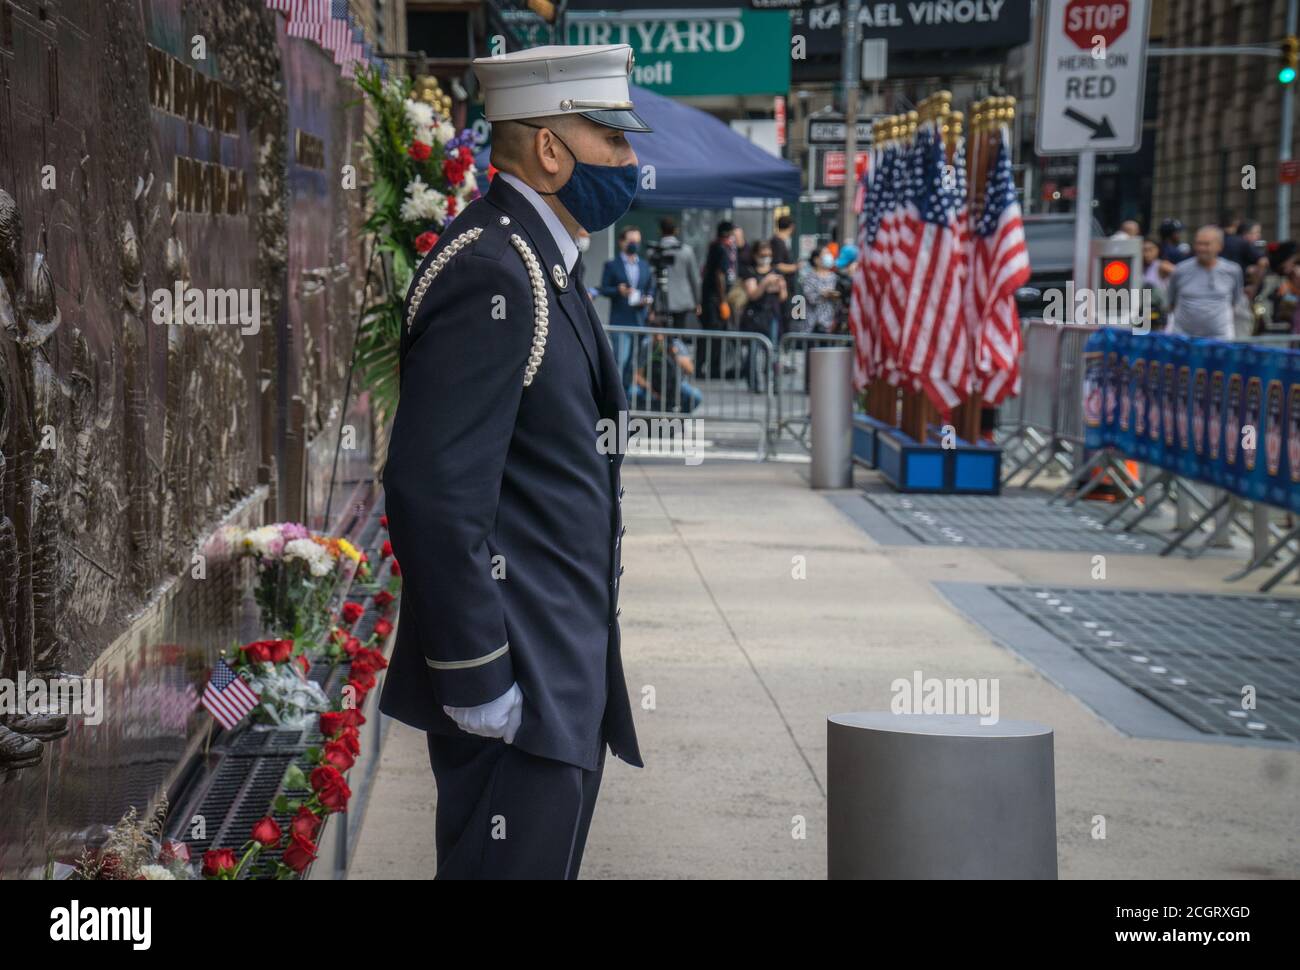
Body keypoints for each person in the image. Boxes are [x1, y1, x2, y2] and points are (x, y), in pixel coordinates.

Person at [379, 43, 649, 880]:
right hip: (517, 684)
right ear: (550, 149)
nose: (632, 163)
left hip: (559, 668)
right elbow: (433, 491)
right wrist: (478, 678)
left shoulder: (538, 261)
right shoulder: (496, 269)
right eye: (614, 142)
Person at [1165, 225, 1246, 340]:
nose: (1201, 248)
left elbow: (1235, 301)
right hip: (1184, 337)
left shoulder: (1233, 270)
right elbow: (1171, 303)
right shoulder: (1180, 270)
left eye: (1207, 244)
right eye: (1199, 243)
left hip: (1220, 338)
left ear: (1219, 246)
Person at [601, 225, 655, 391]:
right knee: (620, 361)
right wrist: (619, 290)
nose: (634, 244)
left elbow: (650, 288)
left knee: (633, 363)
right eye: (631, 241)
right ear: (621, 242)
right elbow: (604, 288)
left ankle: (626, 398)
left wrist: (648, 299)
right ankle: (615, 395)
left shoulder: (645, 265)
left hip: (639, 320)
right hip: (621, 321)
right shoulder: (612, 265)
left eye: (637, 241)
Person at [739, 239, 787, 391]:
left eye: (768, 254)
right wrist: (765, 283)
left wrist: (781, 286)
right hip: (754, 315)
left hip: (772, 314)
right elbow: (753, 294)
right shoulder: (750, 272)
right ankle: (754, 384)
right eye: (762, 254)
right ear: (755, 255)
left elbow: (783, 297)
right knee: (753, 351)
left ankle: (772, 383)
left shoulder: (776, 272)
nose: (766, 257)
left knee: (772, 351)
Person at [631, 331, 702, 413]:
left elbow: (690, 369)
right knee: (632, 393)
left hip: (676, 385)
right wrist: (652, 390)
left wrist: (674, 354)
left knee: (695, 396)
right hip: (652, 387)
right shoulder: (647, 345)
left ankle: (679, 419)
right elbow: (637, 376)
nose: (659, 338)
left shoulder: (676, 345)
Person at [654, 216, 701, 328]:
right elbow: (694, 278)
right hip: (682, 300)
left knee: (662, 337)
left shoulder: (655, 251)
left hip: (660, 299)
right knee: (679, 335)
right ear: (676, 230)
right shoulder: (686, 251)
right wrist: (697, 301)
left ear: (660, 231)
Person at [701, 220, 736, 328]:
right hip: (715, 298)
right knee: (716, 329)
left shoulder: (715, 246)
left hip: (711, 296)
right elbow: (719, 275)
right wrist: (723, 301)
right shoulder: (721, 248)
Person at [798, 246, 841, 334]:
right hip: (812, 324)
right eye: (825, 254)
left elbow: (839, 299)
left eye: (829, 254)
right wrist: (823, 294)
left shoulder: (835, 277)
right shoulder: (809, 277)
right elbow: (811, 298)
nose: (829, 256)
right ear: (816, 259)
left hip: (830, 324)